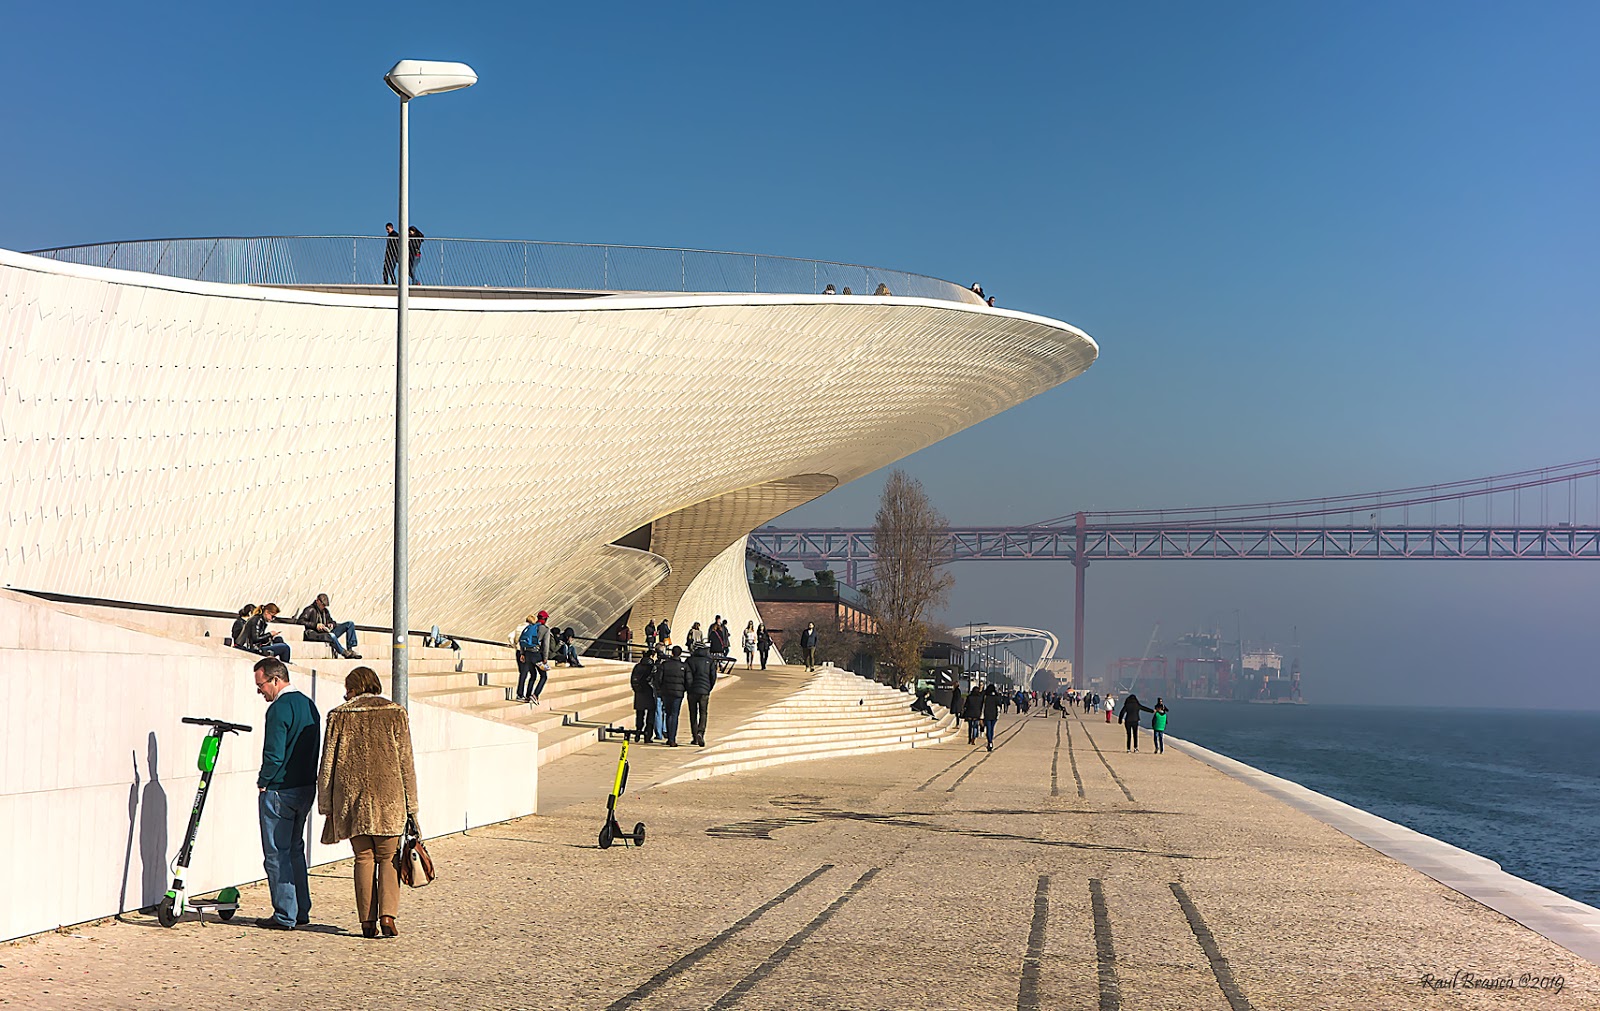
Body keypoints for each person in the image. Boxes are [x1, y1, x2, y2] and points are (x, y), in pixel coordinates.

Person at [316, 666, 418, 939]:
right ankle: (388, 915)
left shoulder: (339, 716)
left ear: (353, 688)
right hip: (390, 798)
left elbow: (327, 765)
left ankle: (366, 922)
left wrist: (326, 805)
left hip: (352, 800)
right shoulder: (396, 714)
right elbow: (406, 763)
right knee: (387, 858)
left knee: (363, 858)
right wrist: (412, 807)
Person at [252, 657, 320, 930]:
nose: (261, 692)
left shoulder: (279, 709)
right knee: (295, 850)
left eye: (261, 686)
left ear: (276, 679)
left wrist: (263, 780)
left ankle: (284, 914)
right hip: (305, 787)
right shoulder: (308, 704)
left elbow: (274, 753)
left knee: (276, 853)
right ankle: (301, 909)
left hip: (280, 789)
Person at [297, 593, 360, 659]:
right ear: (317, 601)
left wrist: (331, 624)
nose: (324, 607)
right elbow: (300, 621)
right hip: (314, 633)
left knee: (350, 624)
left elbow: (332, 621)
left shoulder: (325, 612)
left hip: (325, 632)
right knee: (332, 636)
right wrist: (315, 625)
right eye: (323, 605)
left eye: (325, 605)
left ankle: (350, 649)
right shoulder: (310, 609)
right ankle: (344, 653)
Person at [653, 645, 691, 746]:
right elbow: (689, 681)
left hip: (666, 692)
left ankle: (669, 737)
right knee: (674, 715)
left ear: (672, 653)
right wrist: (684, 689)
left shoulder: (665, 665)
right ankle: (672, 738)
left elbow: (658, 679)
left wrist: (660, 689)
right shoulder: (684, 666)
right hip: (678, 694)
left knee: (668, 713)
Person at [685, 643, 718, 747]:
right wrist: (708, 688)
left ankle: (694, 737)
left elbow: (687, 676)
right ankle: (701, 732)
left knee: (693, 713)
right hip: (704, 691)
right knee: (703, 713)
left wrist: (689, 688)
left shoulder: (689, 661)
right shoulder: (710, 661)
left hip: (692, 691)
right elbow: (713, 677)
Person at [516, 611, 549, 703]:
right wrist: (545, 658)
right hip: (536, 655)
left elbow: (522, 640)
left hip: (527, 653)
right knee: (543, 676)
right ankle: (535, 695)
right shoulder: (545, 629)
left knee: (533, 675)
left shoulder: (530, 627)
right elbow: (545, 645)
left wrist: (522, 653)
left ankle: (527, 696)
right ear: (545, 619)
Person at [630, 650, 658, 743]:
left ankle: (638, 732)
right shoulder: (653, 667)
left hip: (640, 693)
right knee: (650, 716)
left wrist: (637, 689)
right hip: (650, 693)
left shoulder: (637, 666)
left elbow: (633, 680)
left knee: (640, 714)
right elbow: (655, 680)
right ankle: (648, 736)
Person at [981, 685, 1002, 751]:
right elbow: (999, 707)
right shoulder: (996, 697)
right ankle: (990, 741)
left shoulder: (985, 697)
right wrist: (998, 716)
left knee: (988, 729)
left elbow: (982, 707)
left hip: (987, 715)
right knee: (991, 729)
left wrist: (981, 717)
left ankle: (990, 742)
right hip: (994, 715)